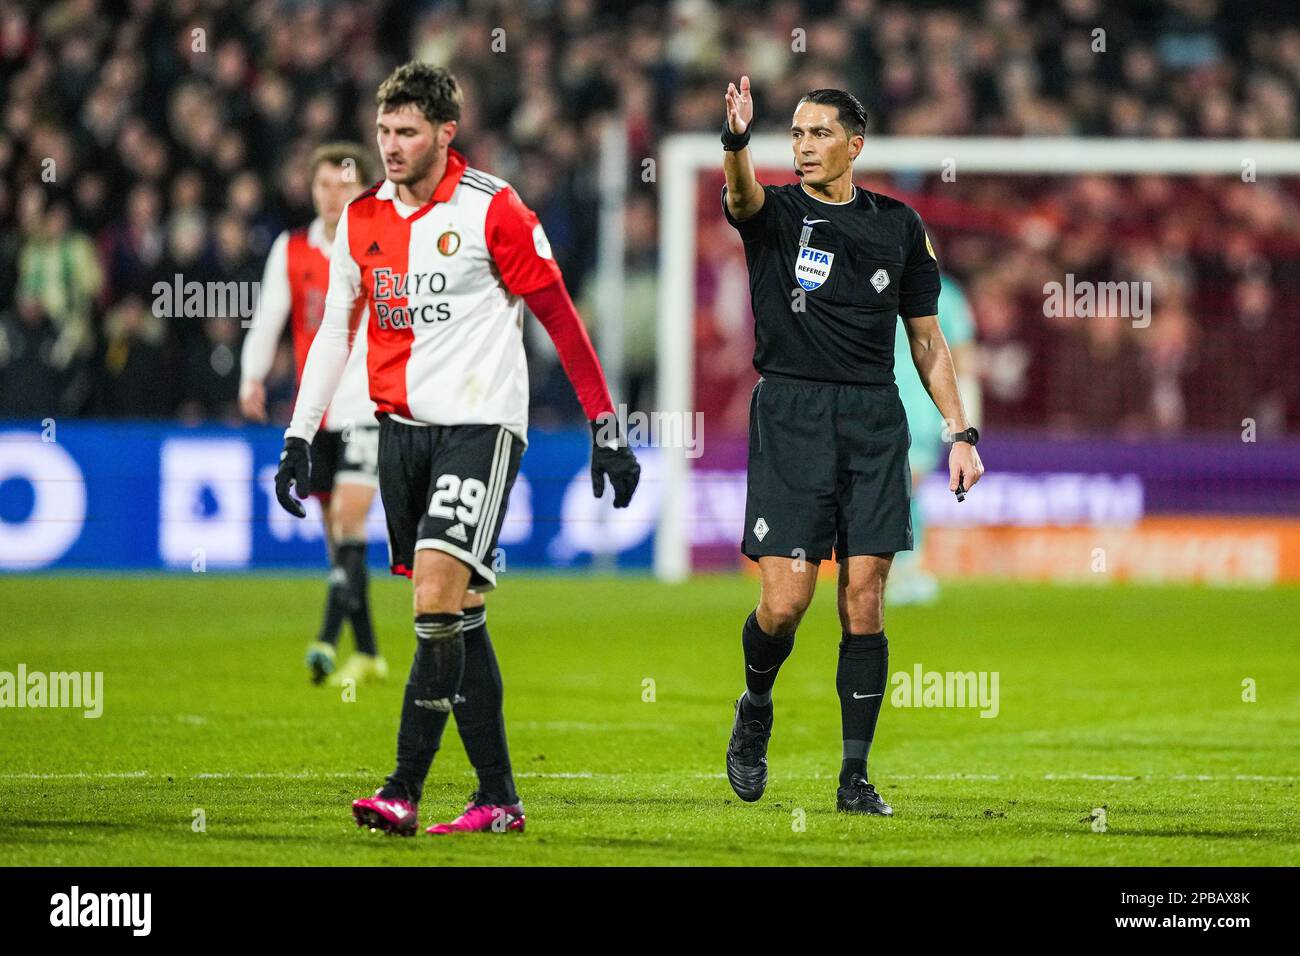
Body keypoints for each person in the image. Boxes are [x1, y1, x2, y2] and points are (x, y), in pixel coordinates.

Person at [273, 63, 641, 835]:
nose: (391, 145)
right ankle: (500, 798)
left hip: (480, 429)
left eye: (407, 131)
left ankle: (402, 788)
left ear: (447, 132)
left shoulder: (493, 210)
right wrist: (300, 435)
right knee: (462, 615)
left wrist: (607, 428)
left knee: (434, 602)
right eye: (383, 131)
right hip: (399, 434)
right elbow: (339, 329)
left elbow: (560, 318)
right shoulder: (363, 219)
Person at [720, 77, 984, 815]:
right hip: (793, 415)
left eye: (818, 134)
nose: (802, 146)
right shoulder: (774, 213)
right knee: (785, 603)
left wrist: (961, 432)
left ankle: (854, 776)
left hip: (872, 420)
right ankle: (755, 703)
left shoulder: (899, 227)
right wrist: (736, 142)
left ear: (853, 145)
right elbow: (739, 198)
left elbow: (928, 342)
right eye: (795, 134)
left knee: (864, 601)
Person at [240, 143, 387, 687]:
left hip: (370, 405)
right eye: (324, 185)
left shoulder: (382, 240)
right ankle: (369, 652)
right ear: (312, 190)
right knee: (337, 538)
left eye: (344, 185)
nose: (333, 195)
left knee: (350, 521)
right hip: (316, 411)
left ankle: (326, 639)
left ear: (364, 188)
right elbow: (269, 316)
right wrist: (251, 376)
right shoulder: (292, 247)